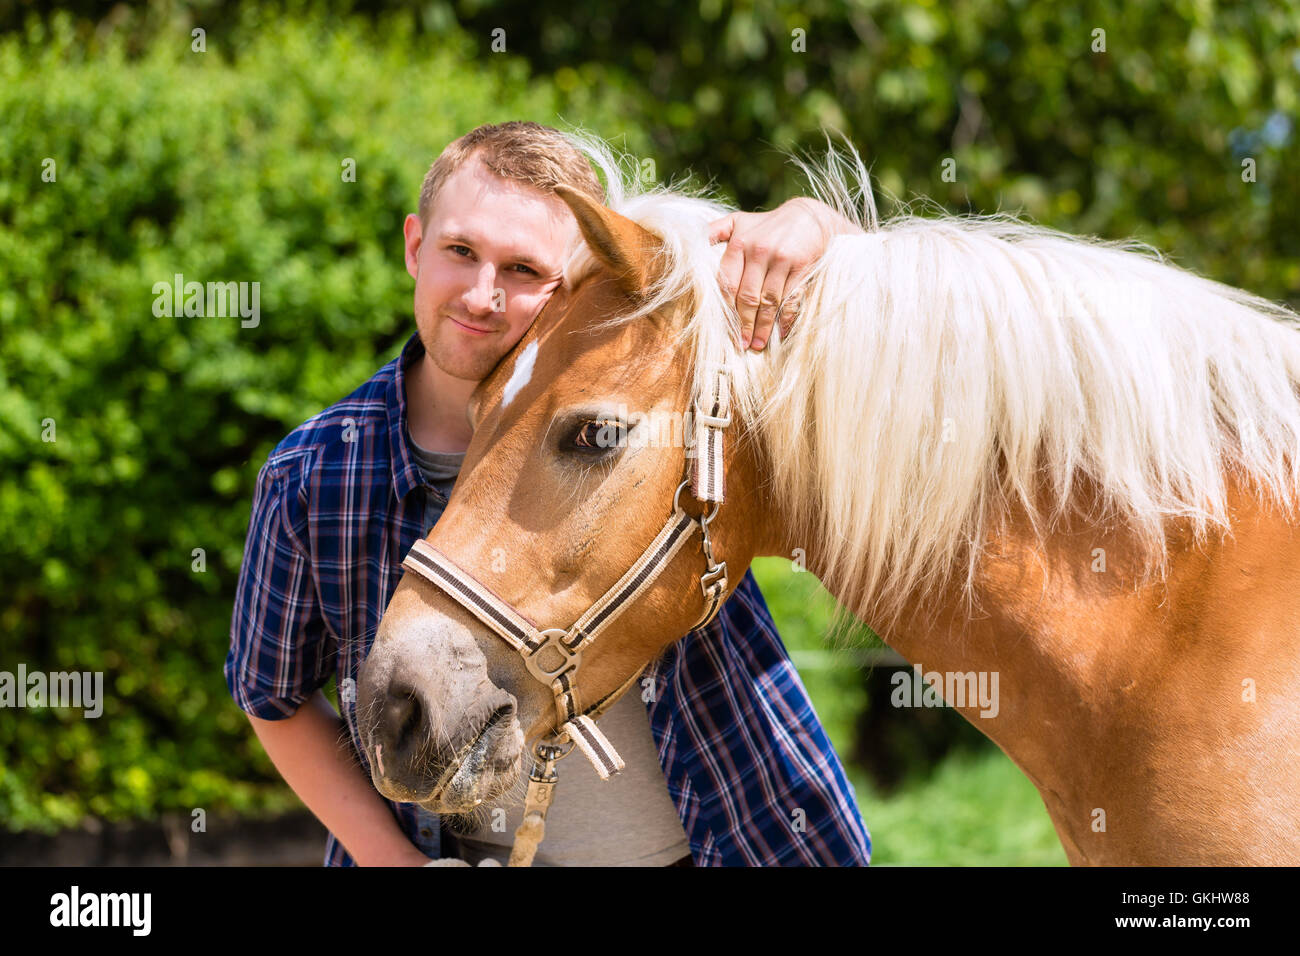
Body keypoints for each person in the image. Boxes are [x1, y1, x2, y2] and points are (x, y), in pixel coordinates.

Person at [225, 121, 871, 866]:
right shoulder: (315, 473)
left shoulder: (654, 397)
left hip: (728, 841)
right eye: (460, 251)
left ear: (577, 280)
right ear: (413, 246)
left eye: (525, 269)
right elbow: (270, 696)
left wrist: (815, 225)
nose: (483, 294)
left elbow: (851, 318)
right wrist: (390, 861)